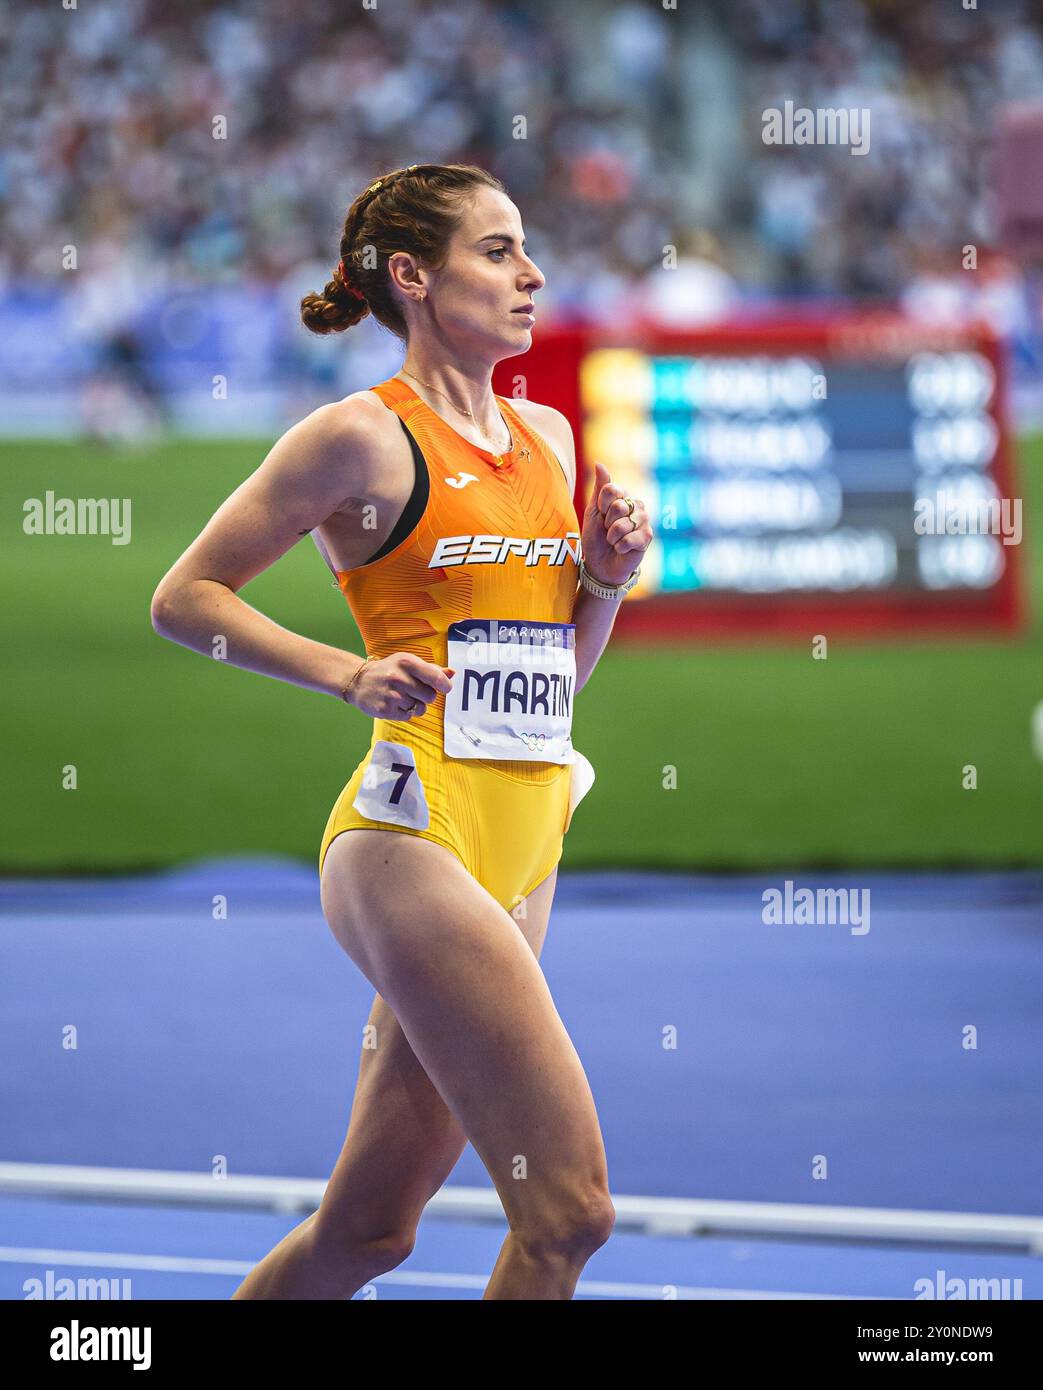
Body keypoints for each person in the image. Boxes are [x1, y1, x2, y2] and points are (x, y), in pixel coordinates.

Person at [150, 163, 651, 1300]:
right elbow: (185, 598)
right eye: (496, 250)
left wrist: (607, 581)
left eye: (526, 250)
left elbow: (556, 679)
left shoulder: (548, 438)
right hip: (408, 840)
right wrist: (345, 672)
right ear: (414, 276)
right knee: (567, 1213)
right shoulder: (358, 439)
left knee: (368, 1232)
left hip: (527, 838)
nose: (530, 275)